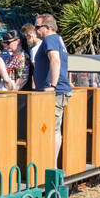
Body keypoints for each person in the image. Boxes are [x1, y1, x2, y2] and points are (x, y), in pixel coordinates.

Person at [32, 14, 72, 164]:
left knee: (54, 130)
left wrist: (53, 86)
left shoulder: (50, 39)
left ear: (48, 27)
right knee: (52, 128)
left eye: (37, 27)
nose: (35, 30)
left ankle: (52, 165)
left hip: (56, 92)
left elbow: (55, 59)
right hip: (57, 91)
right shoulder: (58, 39)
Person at [20, 24, 42, 90]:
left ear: (30, 35)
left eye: (26, 39)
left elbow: (37, 70)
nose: (27, 42)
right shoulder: (44, 44)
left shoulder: (35, 49)